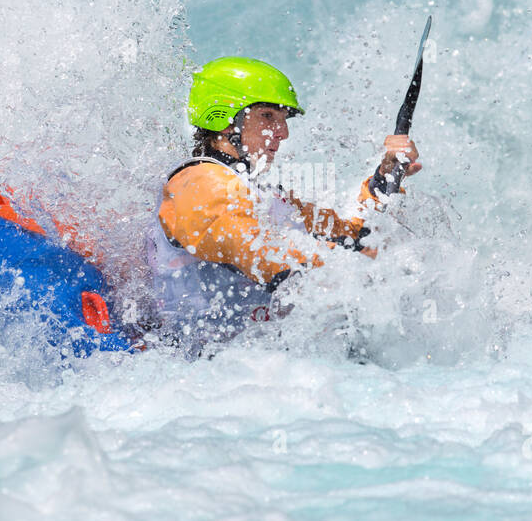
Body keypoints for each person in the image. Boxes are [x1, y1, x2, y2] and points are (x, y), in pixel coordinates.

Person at [145, 56, 421, 349]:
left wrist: (388, 173)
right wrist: (350, 268)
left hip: (260, 363)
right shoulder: (197, 184)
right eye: (267, 116)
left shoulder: (261, 193)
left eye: (283, 119)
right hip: (202, 373)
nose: (283, 132)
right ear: (224, 120)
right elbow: (255, 250)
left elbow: (353, 233)